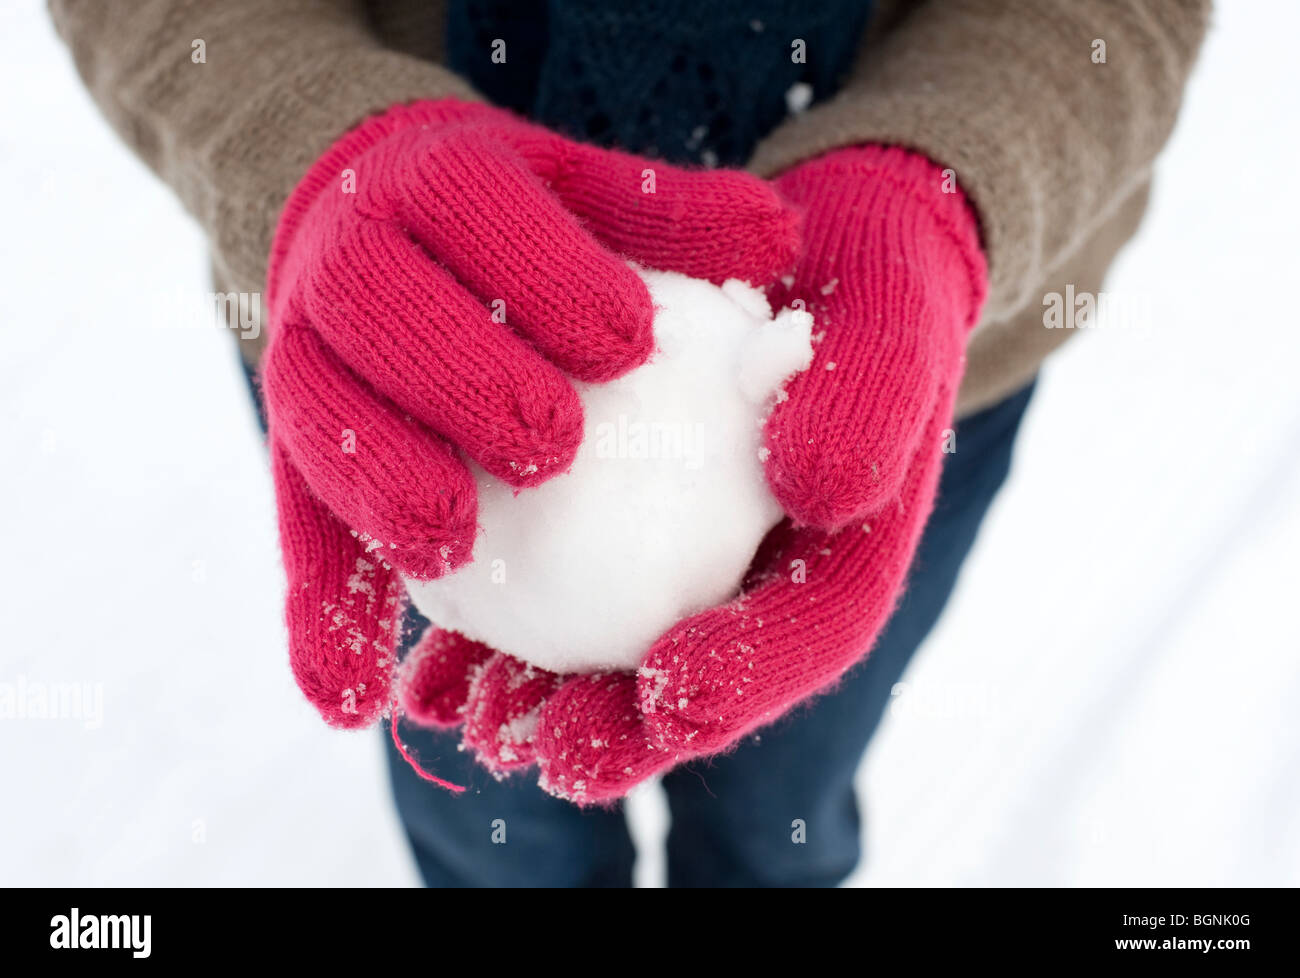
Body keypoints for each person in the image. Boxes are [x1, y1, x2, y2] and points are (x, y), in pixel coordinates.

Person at [52, 0, 1210, 887]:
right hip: (401, 346)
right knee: (494, 817)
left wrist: (937, 176)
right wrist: (302, 124)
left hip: (888, 370)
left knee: (780, 808)